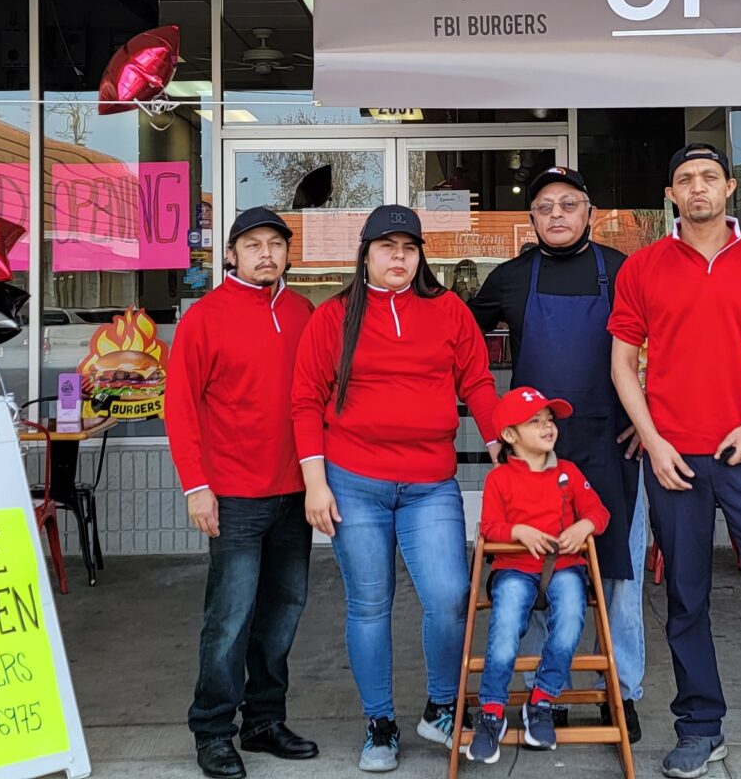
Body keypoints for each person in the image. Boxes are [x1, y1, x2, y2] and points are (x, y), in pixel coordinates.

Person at [608, 143, 741, 779]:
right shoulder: (644, 268)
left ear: (730, 188)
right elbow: (623, 362)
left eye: (709, 177)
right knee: (685, 598)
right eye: (685, 180)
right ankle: (700, 727)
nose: (698, 188)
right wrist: (651, 439)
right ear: (672, 194)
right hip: (674, 459)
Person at [294, 204, 503, 772]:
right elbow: (306, 401)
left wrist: (499, 444)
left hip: (430, 484)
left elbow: (478, 382)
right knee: (369, 604)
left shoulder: (448, 310)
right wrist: (316, 483)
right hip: (353, 481)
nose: (398, 257)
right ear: (364, 254)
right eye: (386, 247)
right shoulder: (334, 316)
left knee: (449, 595)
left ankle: (439, 709)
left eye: (408, 248)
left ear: (420, 255)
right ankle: (379, 722)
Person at [469, 166, 649, 743]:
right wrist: (494, 425)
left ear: (590, 213)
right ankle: (548, 692)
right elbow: (462, 346)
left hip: (611, 444)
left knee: (618, 574)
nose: (557, 215)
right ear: (532, 218)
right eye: (545, 206)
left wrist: (651, 423)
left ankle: (622, 693)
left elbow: (666, 343)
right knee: (536, 569)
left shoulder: (623, 273)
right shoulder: (511, 278)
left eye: (569, 204)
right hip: (534, 456)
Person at [164, 207, 321, 779]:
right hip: (232, 495)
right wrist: (196, 486)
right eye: (252, 245)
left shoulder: (303, 312)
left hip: (293, 494)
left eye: (275, 244)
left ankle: (263, 721)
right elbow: (179, 406)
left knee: (281, 615)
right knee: (229, 619)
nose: (265, 254)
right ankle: (212, 729)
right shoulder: (205, 318)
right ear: (230, 253)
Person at [466, 387, 610, 765]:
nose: (547, 427)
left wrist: (583, 527)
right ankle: (492, 712)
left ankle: (542, 700)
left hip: (563, 567)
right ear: (510, 436)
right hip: (514, 569)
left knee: (569, 623)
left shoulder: (569, 473)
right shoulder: (500, 480)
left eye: (550, 421)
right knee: (503, 631)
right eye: (535, 422)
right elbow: (489, 526)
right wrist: (518, 532)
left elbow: (600, 512)